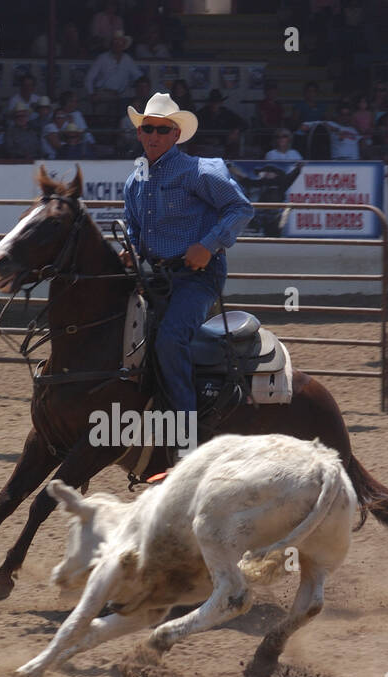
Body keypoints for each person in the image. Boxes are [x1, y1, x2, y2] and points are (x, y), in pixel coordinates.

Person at [120, 92, 253, 448]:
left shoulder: (198, 171)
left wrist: (207, 245)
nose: (153, 136)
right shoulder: (135, 182)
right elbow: (133, 228)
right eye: (147, 128)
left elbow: (240, 208)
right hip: (158, 277)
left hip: (198, 276)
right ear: (139, 133)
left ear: (176, 135)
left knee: (170, 339)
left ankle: (185, 436)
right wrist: (130, 250)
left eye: (162, 130)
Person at [85, 31, 142, 119]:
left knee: (123, 118)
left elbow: (139, 76)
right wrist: (92, 94)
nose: (117, 45)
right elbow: (89, 78)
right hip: (103, 95)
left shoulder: (127, 59)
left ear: (124, 45)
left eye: (120, 42)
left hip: (121, 96)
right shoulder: (102, 58)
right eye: (115, 42)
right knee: (102, 120)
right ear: (111, 44)